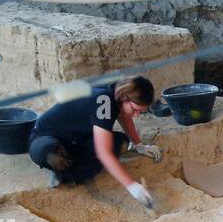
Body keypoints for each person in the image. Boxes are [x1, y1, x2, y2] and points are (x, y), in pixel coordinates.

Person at [28, 75, 160, 207]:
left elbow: (124, 115)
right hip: (44, 138)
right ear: (125, 97)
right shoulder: (104, 100)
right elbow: (104, 153)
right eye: (135, 110)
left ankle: (67, 168)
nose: (136, 115)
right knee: (53, 155)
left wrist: (138, 144)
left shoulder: (118, 91)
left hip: (76, 139)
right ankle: (64, 174)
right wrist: (132, 186)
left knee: (119, 142)